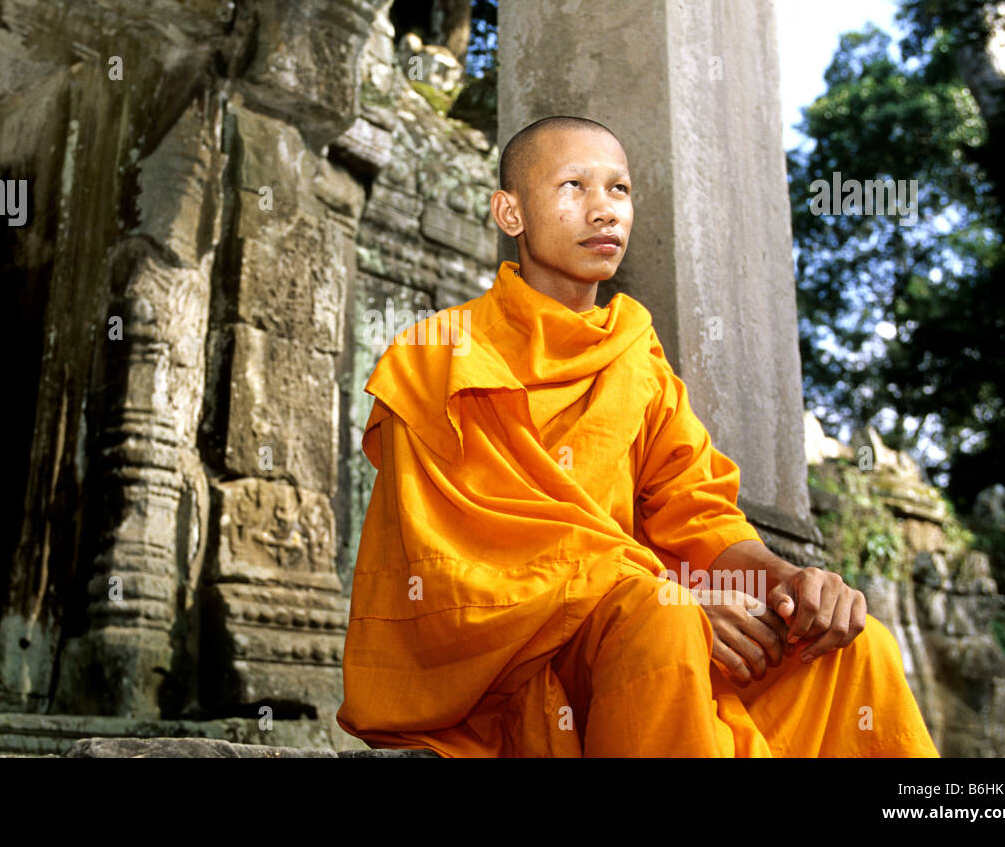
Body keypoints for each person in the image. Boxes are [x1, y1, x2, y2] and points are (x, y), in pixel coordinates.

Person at [335, 115, 940, 758]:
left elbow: (697, 517)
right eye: (573, 186)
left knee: (856, 646)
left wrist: (791, 582)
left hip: (637, 628)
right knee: (664, 620)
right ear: (509, 213)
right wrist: (663, 594)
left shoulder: (638, 363)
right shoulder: (440, 358)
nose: (604, 211)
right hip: (506, 669)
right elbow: (461, 558)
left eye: (618, 189)